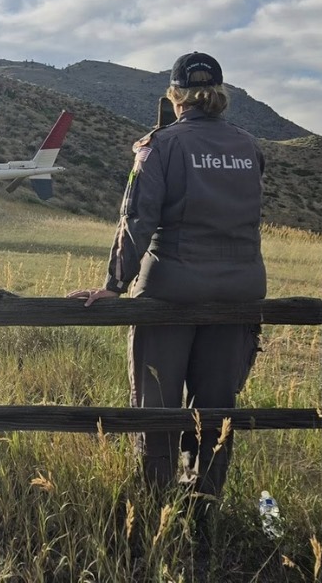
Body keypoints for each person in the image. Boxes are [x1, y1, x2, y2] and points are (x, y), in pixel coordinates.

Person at [67, 51, 265, 502]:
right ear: (219, 95)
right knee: (217, 405)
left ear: (175, 96)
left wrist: (115, 284)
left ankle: (157, 501)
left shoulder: (159, 145)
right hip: (239, 292)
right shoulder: (249, 146)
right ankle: (206, 500)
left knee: (156, 401)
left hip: (170, 288)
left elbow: (137, 217)